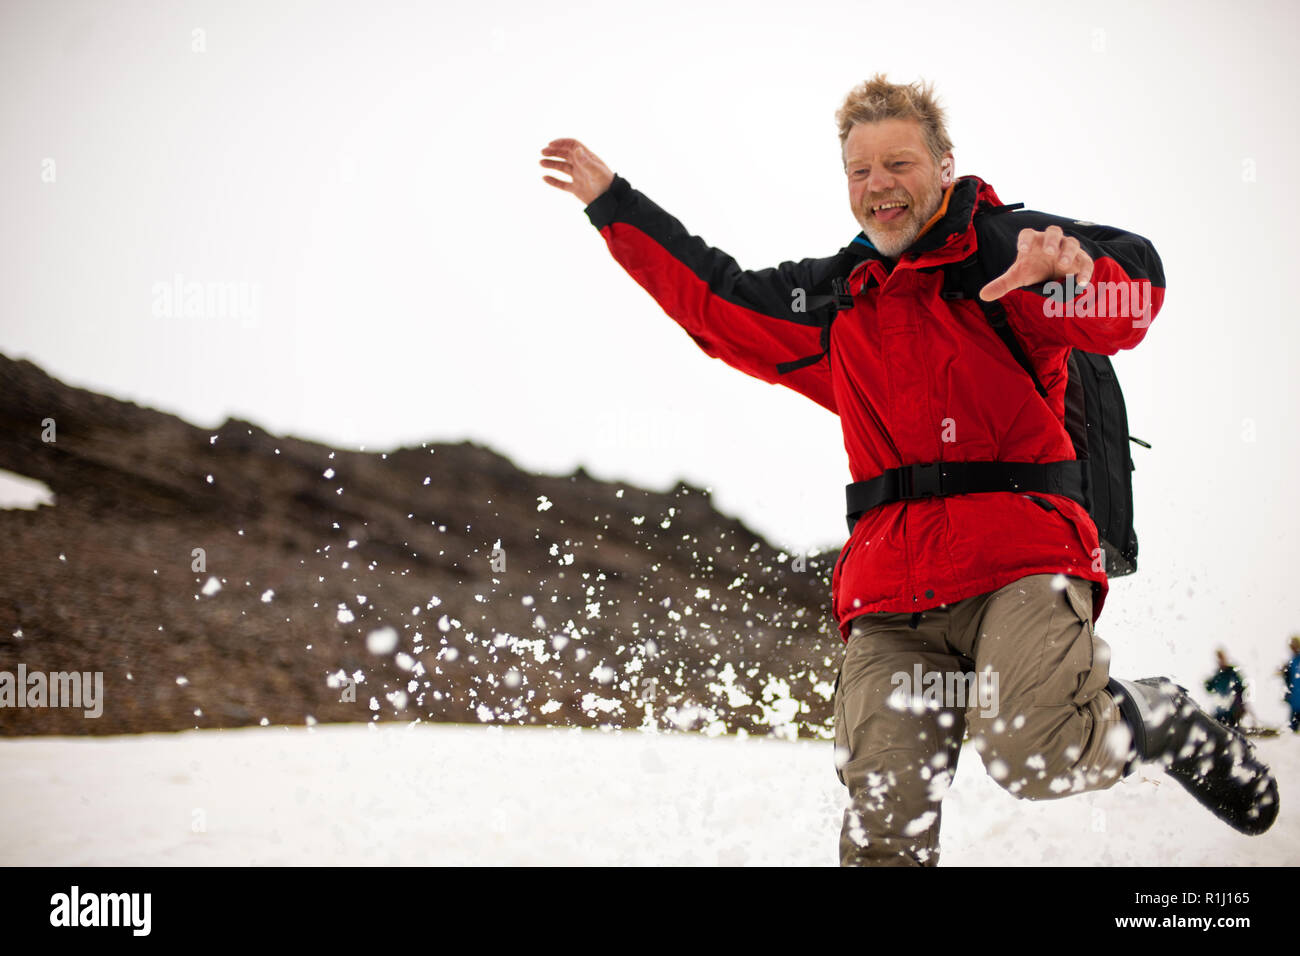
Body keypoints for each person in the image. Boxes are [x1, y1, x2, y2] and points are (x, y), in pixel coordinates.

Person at [542, 74, 1279, 865]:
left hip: (1022, 562)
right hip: (893, 592)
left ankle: (1158, 717)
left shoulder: (1006, 253)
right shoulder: (836, 299)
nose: (878, 186)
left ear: (944, 165)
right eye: (860, 171)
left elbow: (1125, 311)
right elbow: (717, 303)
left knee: (1039, 751)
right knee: (882, 823)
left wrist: (1077, 276)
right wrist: (614, 203)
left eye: (898, 164)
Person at [1204, 649, 1247, 728]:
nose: (1220, 661)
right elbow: (1210, 688)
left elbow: (1241, 687)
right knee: (1216, 722)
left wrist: (1241, 704)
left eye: (1221, 658)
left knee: (1231, 723)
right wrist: (1207, 684)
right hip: (1221, 708)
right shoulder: (1218, 675)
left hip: (1233, 708)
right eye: (1218, 659)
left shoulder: (1232, 673)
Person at [1281, 635, 1300, 733]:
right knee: (1292, 733)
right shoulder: (1291, 662)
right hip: (1295, 703)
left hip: (1296, 701)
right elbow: (1288, 680)